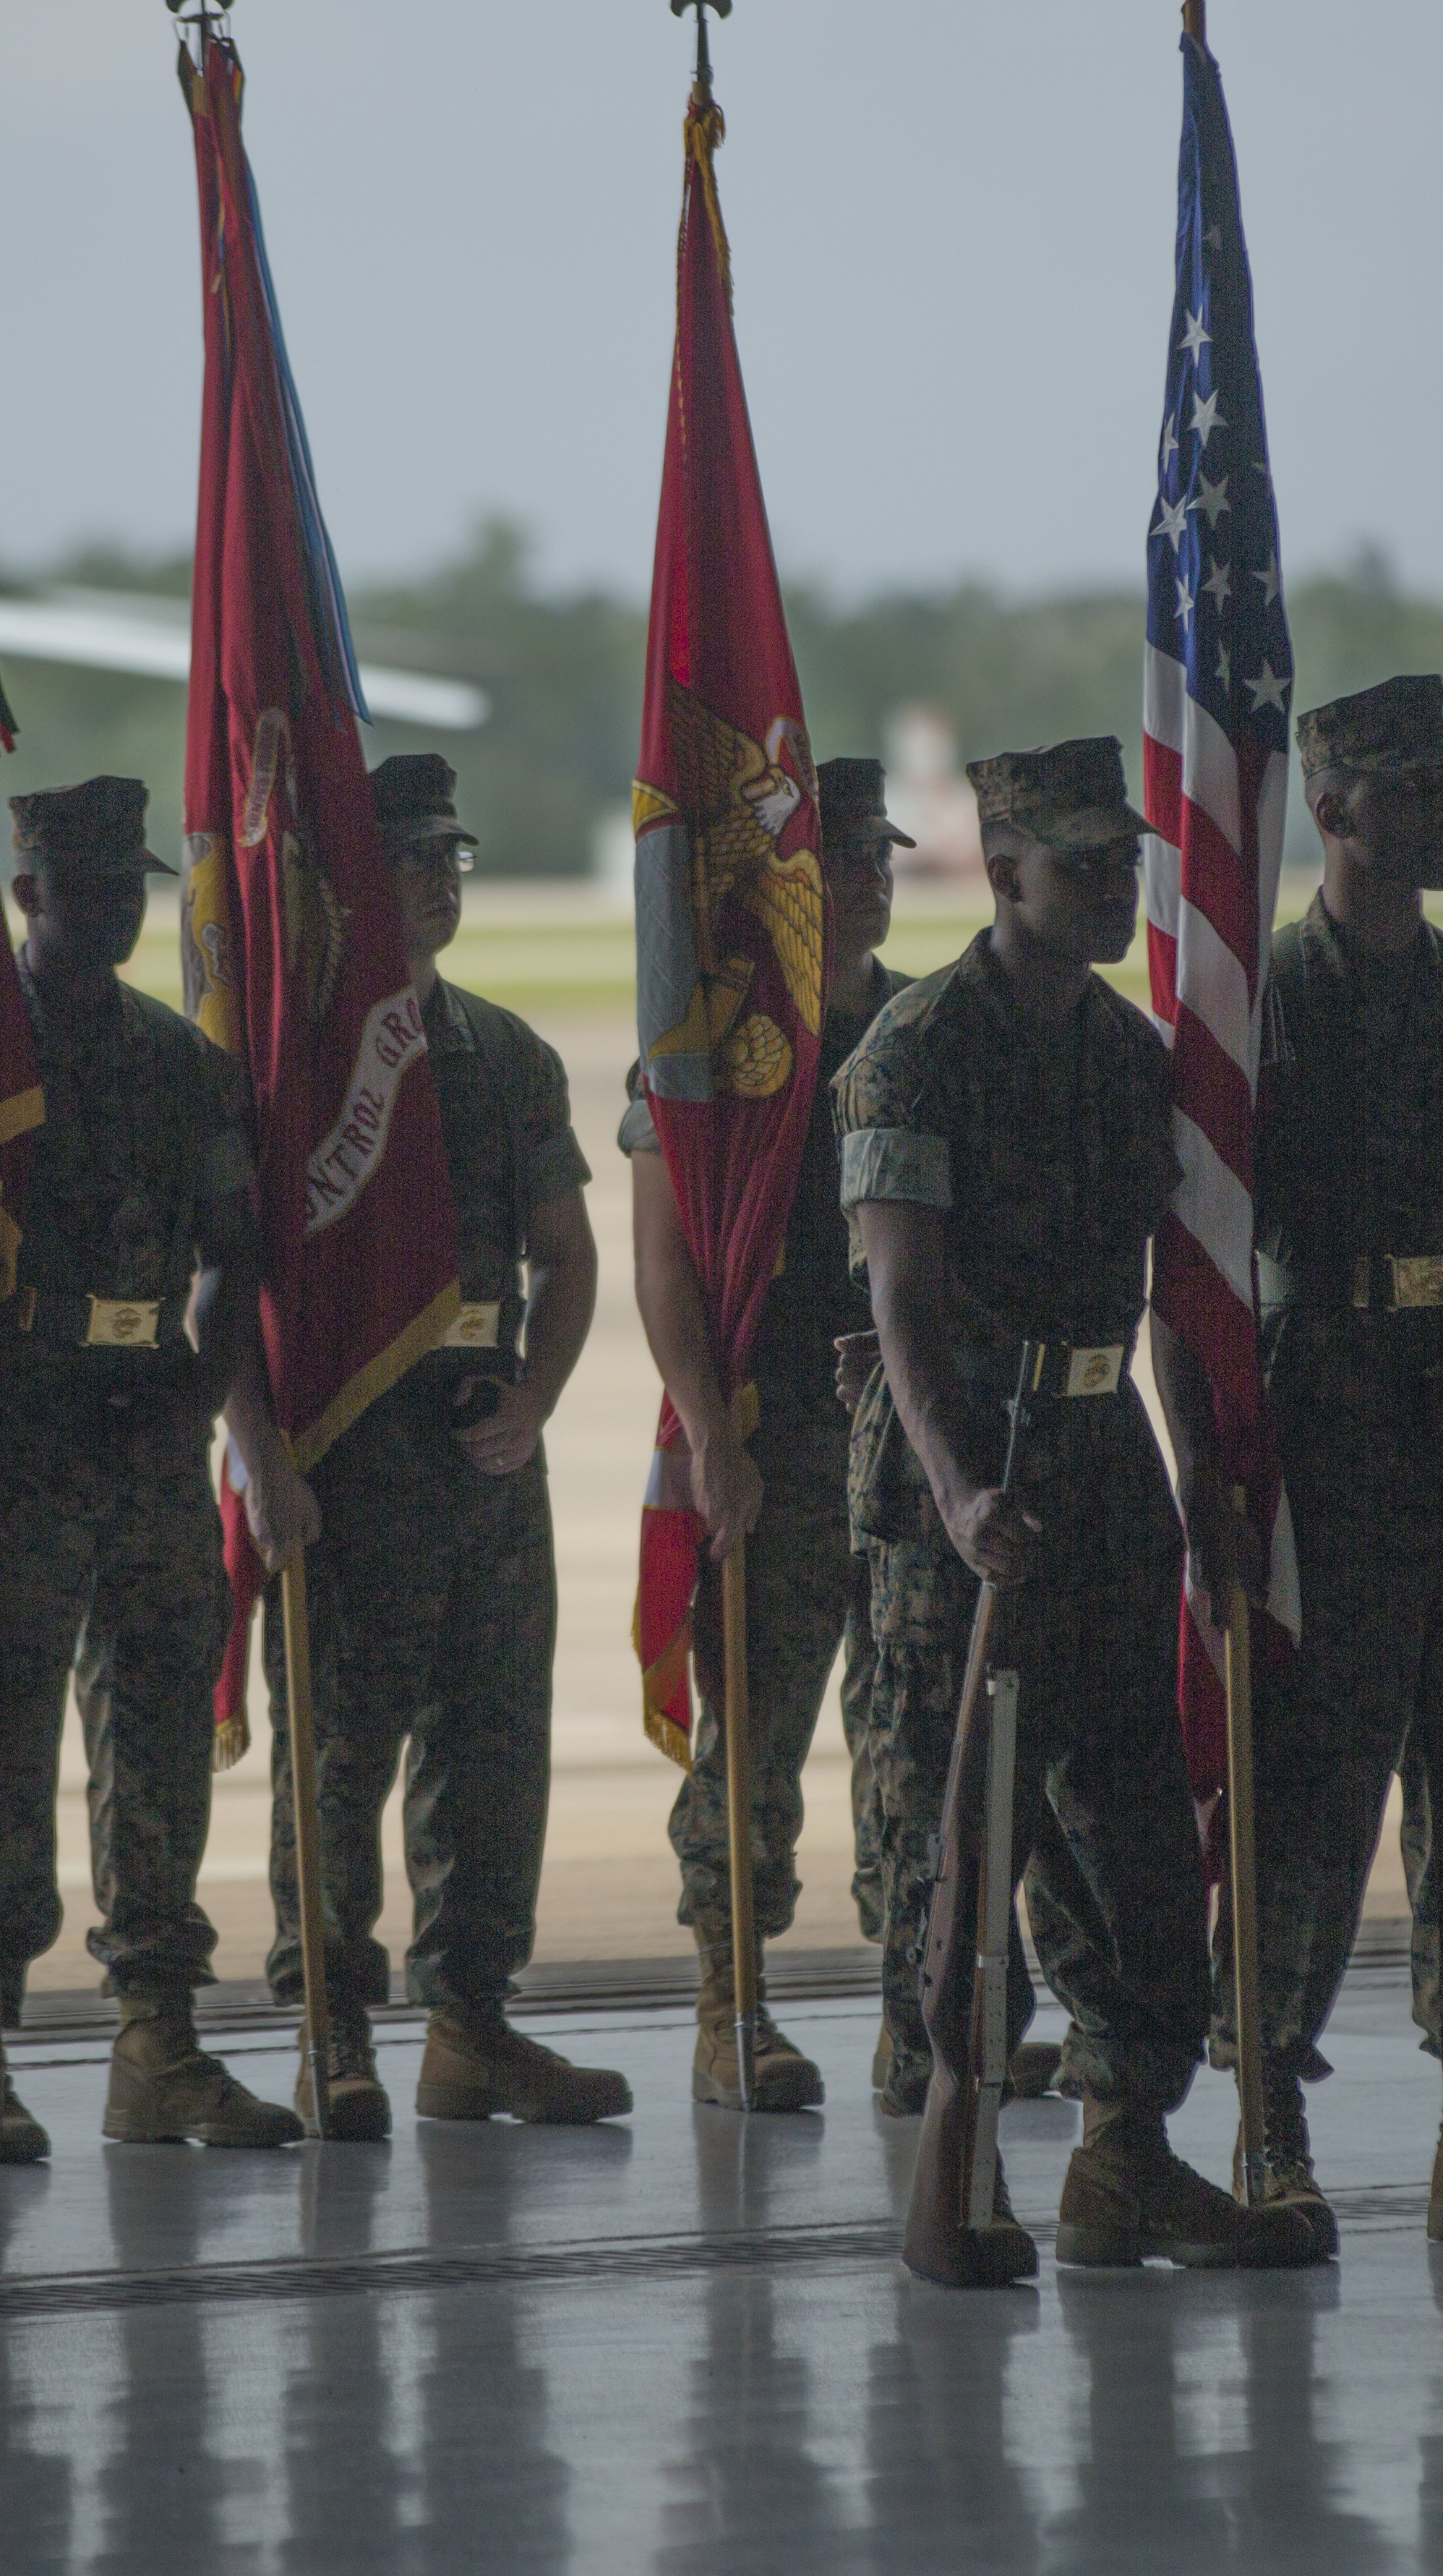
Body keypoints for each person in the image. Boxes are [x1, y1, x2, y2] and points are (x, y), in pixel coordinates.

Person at [837, 736, 1319, 2272]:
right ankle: (955, 2152)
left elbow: (1171, 1297)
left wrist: (1206, 1479)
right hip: (967, 1473)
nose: (1115, 890)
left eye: (1126, 865)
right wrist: (960, 1484)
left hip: (1104, 1463)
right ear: (1002, 870)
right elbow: (901, 1304)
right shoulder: (915, 1047)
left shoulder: (1129, 1055)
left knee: (1135, 1833)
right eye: (1082, 866)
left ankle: (1124, 2155)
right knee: (959, 1837)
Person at [1156, 675, 1443, 2253]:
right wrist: (1209, 1486)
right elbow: (1196, 1261)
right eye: (1411, 790)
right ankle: (1266, 2105)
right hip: (1321, 1438)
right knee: (1311, 1797)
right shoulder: (1260, 1009)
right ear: (1332, 812)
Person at [0, 773, 301, 2160]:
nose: (116, 913)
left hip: (143, 1428)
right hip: (16, 1424)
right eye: (88, 891)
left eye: (133, 893)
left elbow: (237, 1250)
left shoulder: (182, 1063)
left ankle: (157, 2045)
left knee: (160, 1739)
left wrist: (193, 1390)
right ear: (24, 897)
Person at [239, 753, 624, 2134]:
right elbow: (237, 1291)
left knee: (493, 1742)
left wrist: (537, 1400)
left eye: (453, 861)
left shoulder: (505, 1055)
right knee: (339, 1755)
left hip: (479, 1450)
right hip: (351, 1456)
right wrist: (263, 1458)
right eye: (413, 861)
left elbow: (568, 1257)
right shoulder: (291, 1064)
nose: (441, 885)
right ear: (353, 877)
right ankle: (330, 2029)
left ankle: (471, 2025)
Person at [628, 756, 912, 2110]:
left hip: (915, 1443)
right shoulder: (716, 1043)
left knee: (913, 1728)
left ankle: (926, 2001)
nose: (866, 883)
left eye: (880, 860)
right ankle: (730, 2006)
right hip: (777, 1435)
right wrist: (708, 1437)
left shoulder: (930, 1026)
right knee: (755, 1743)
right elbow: (667, 1264)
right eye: (841, 858)